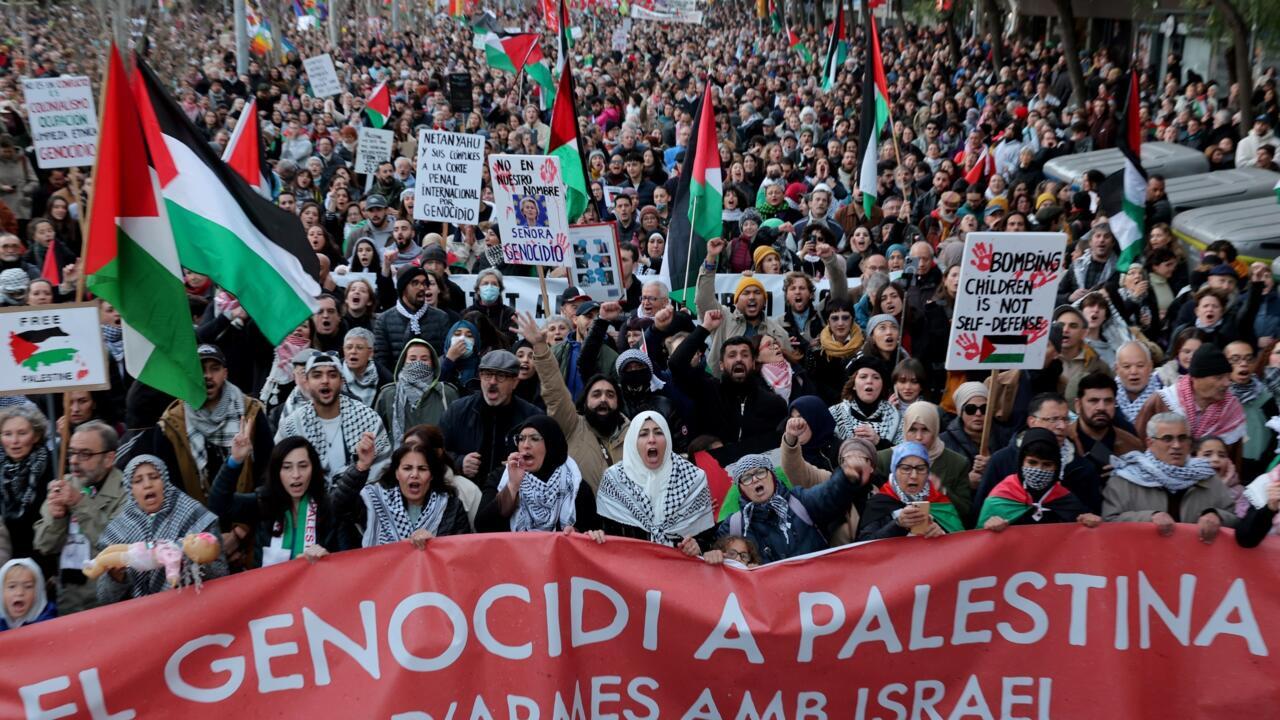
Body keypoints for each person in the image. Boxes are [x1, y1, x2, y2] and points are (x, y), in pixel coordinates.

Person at [513, 313, 627, 489]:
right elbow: (554, 389)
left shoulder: (633, 433)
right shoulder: (572, 426)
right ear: (585, 401)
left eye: (610, 395)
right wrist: (540, 347)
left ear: (619, 402)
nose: (603, 399)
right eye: (596, 394)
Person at [96, 455, 228, 604]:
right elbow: (104, 598)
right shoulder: (118, 530)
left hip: (193, 607)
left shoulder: (195, 515)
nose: (147, 485)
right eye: (138, 481)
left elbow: (221, 572)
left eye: (154, 477)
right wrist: (116, 577)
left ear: (165, 481)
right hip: (145, 617)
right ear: (130, 489)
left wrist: (194, 558)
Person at [155, 344, 272, 505]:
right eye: (201, 369)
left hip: (245, 520)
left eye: (214, 369)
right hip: (194, 524)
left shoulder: (251, 411)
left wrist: (244, 523)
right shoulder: (171, 423)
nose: (207, 376)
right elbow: (171, 485)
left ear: (225, 373)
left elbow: (267, 469)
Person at [209, 434, 347, 567]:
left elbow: (346, 564)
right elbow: (219, 504)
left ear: (314, 468)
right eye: (287, 467)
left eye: (303, 466)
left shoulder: (329, 508)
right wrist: (235, 461)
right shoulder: (264, 502)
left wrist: (327, 559)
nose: (296, 475)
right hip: (270, 588)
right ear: (277, 472)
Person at [32, 422, 126, 615]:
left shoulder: (126, 489)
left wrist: (79, 503)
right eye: (72, 453)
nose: (74, 461)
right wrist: (57, 518)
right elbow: (43, 545)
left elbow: (115, 543)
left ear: (109, 458)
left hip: (110, 602)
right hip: (68, 598)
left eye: (85, 454)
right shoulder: (64, 484)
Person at [1103, 412, 1238, 542]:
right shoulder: (1126, 478)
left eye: (1182, 438)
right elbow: (1109, 522)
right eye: (1167, 439)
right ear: (1150, 443)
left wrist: (1217, 516)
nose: (1176, 445)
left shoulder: (1208, 477)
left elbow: (1235, 519)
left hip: (1196, 562)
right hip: (1141, 560)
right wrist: (1149, 518)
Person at [715, 452, 867, 564]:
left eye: (760, 472)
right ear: (741, 489)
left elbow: (827, 494)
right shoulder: (733, 526)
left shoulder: (799, 501)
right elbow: (719, 563)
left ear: (773, 476)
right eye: (746, 478)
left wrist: (846, 476)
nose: (755, 479)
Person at [596, 411, 715, 551]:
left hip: (679, 569)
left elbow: (708, 540)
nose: (652, 439)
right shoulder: (614, 479)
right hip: (629, 568)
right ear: (633, 441)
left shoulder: (694, 478)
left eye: (658, 432)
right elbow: (605, 535)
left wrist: (698, 546)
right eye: (643, 434)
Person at [275, 353, 392, 485]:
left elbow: (381, 471)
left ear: (342, 381)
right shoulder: (293, 425)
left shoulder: (368, 420)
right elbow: (278, 468)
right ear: (307, 382)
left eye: (332, 375)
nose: (325, 380)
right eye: (317, 375)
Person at [475, 415, 599, 533]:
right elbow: (482, 526)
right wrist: (512, 487)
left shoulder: (575, 487)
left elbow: (590, 535)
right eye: (521, 439)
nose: (525, 445)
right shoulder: (501, 476)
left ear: (551, 445)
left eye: (534, 439)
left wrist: (576, 533)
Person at [336, 443, 471, 548]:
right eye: (407, 468)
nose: (414, 474)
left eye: (422, 469)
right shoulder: (375, 500)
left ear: (431, 476)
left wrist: (436, 545)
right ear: (396, 473)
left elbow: (462, 553)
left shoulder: (451, 507)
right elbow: (337, 507)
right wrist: (361, 467)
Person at [440, 350, 540, 483]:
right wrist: (459, 462)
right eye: (487, 375)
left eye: (500, 376)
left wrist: (521, 464)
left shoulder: (531, 417)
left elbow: (542, 459)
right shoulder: (457, 411)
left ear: (515, 382)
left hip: (513, 495)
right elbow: (434, 451)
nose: (492, 382)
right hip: (467, 496)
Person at [977, 428, 1101, 530]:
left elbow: (1083, 536)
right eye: (1032, 462)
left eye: (1047, 464)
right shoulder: (1000, 498)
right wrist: (989, 527)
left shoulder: (1064, 499)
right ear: (1021, 462)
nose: (1039, 469)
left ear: (1056, 467)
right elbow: (979, 542)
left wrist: (1090, 522)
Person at [1136, 344, 1246, 456]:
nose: (1227, 383)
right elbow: (1137, 445)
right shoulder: (1163, 402)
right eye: (1219, 377)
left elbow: (1234, 460)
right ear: (1196, 378)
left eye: (1228, 377)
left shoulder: (1232, 411)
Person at [875, 401, 974, 523]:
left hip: (938, 535)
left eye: (925, 430)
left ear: (935, 429)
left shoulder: (957, 463)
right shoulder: (885, 459)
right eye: (913, 430)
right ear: (905, 429)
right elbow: (876, 509)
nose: (918, 437)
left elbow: (966, 511)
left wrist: (942, 490)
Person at [856, 441, 964, 540]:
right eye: (906, 468)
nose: (914, 476)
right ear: (894, 470)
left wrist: (942, 535)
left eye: (921, 469)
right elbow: (864, 545)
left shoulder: (940, 502)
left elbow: (960, 545)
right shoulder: (879, 503)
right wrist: (898, 524)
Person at [373, 266, 452, 378]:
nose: (422, 287)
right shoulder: (383, 320)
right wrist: (398, 385)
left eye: (424, 283)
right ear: (403, 288)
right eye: (415, 283)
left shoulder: (441, 318)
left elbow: (444, 356)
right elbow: (381, 363)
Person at [374, 339, 458, 442]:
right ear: (403, 362)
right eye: (412, 359)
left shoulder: (446, 393)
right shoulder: (388, 394)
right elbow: (376, 436)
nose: (418, 363)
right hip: (398, 456)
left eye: (424, 359)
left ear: (433, 363)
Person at [0, 405, 51, 561]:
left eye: (22, 433)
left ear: (36, 436)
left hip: (44, 556)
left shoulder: (52, 466)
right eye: (7, 434)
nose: (14, 441)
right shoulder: (1, 469)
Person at [828, 356, 902, 448]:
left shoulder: (895, 416)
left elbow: (902, 454)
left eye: (876, 377)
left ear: (882, 385)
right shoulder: (834, 414)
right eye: (863, 377)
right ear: (853, 384)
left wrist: (878, 442)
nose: (869, 381)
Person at [0, 559, 55, 631]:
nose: (19, 593)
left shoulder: (49, 625)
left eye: (28, 586)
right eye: (12, 586)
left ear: (38, 593)